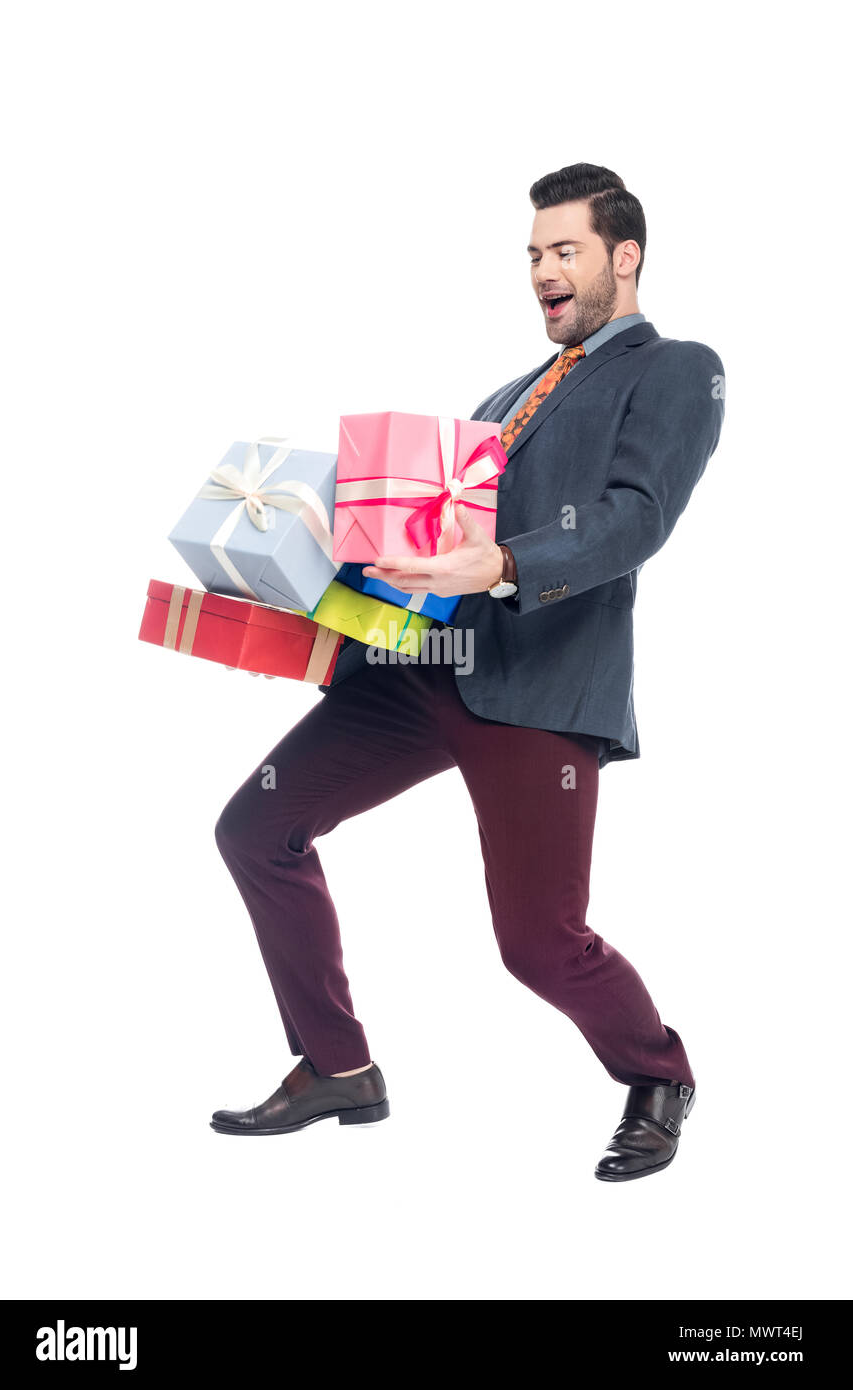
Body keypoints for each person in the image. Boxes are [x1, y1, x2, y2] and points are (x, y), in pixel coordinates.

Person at [210, 162, 725, 1182]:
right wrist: (318, 566)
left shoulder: (678, 369)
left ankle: (659, 1073)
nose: (544, 269)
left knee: (538, 941)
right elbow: (431, 533)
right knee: (256, 828)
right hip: (422, 668)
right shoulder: (503, 396)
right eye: (534, 253)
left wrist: (508, 561)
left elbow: (636, 518)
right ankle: (336, 1065)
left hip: (539, 685)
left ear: (625, 258)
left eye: (565, 249)